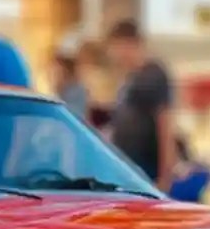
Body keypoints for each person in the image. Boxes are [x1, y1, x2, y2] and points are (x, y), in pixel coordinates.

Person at [104, 19, 176, 191]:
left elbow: (165, 125)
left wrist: (165, 177)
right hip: (129, 173)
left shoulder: (153, 75)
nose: (115, 55)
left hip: (147, 173)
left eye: (117, 47)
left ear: (131, 45)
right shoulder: (129, 79)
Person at [50, 49, 89, 120]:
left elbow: (75, 115)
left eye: (57, 71)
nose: (53, 74)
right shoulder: (59, 91)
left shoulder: (77, 90)